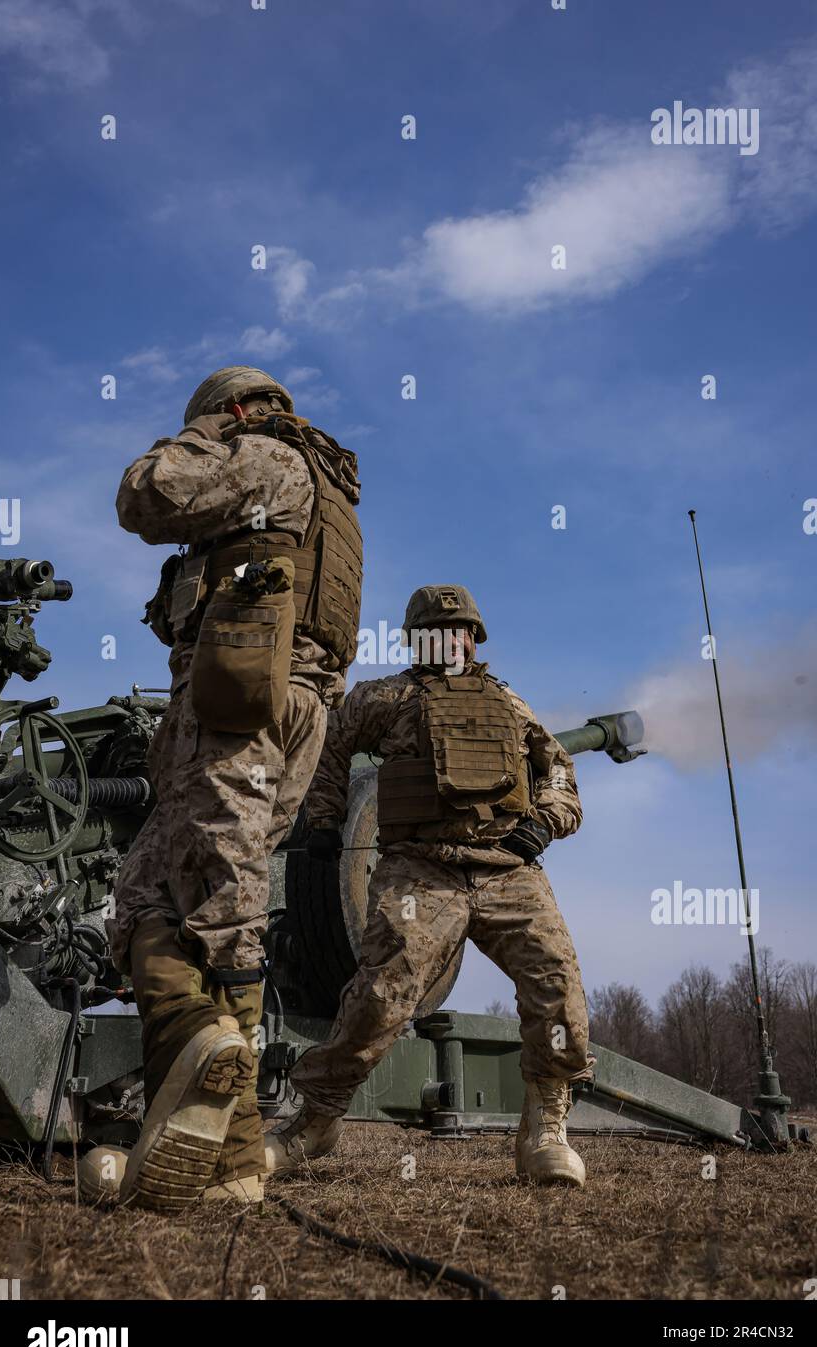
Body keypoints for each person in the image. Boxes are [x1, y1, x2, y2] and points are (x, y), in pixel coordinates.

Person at [101, 366, 363, 1210]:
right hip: (292, 702)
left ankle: (226, 1120)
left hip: (236, 695)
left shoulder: (265, 457)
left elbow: (146, 495)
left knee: (219, 898)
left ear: (235, 411)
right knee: (150, 892)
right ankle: (221, 1138)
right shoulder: (329, 495)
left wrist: (202, 434)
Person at [263, 584, 592, 1187]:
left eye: (459, 631)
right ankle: (316, 1120)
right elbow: (329, 746)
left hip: (506, 867)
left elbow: (558, 771)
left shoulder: (510, 705)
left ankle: (546, 1127)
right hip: (421, 868)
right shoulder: (384, 698)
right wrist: (326, 822)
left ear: (473, 640)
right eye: (436, 633)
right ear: (416, 641)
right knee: (380, 996)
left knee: (558, 985)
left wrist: (545, 822)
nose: (449, 641)